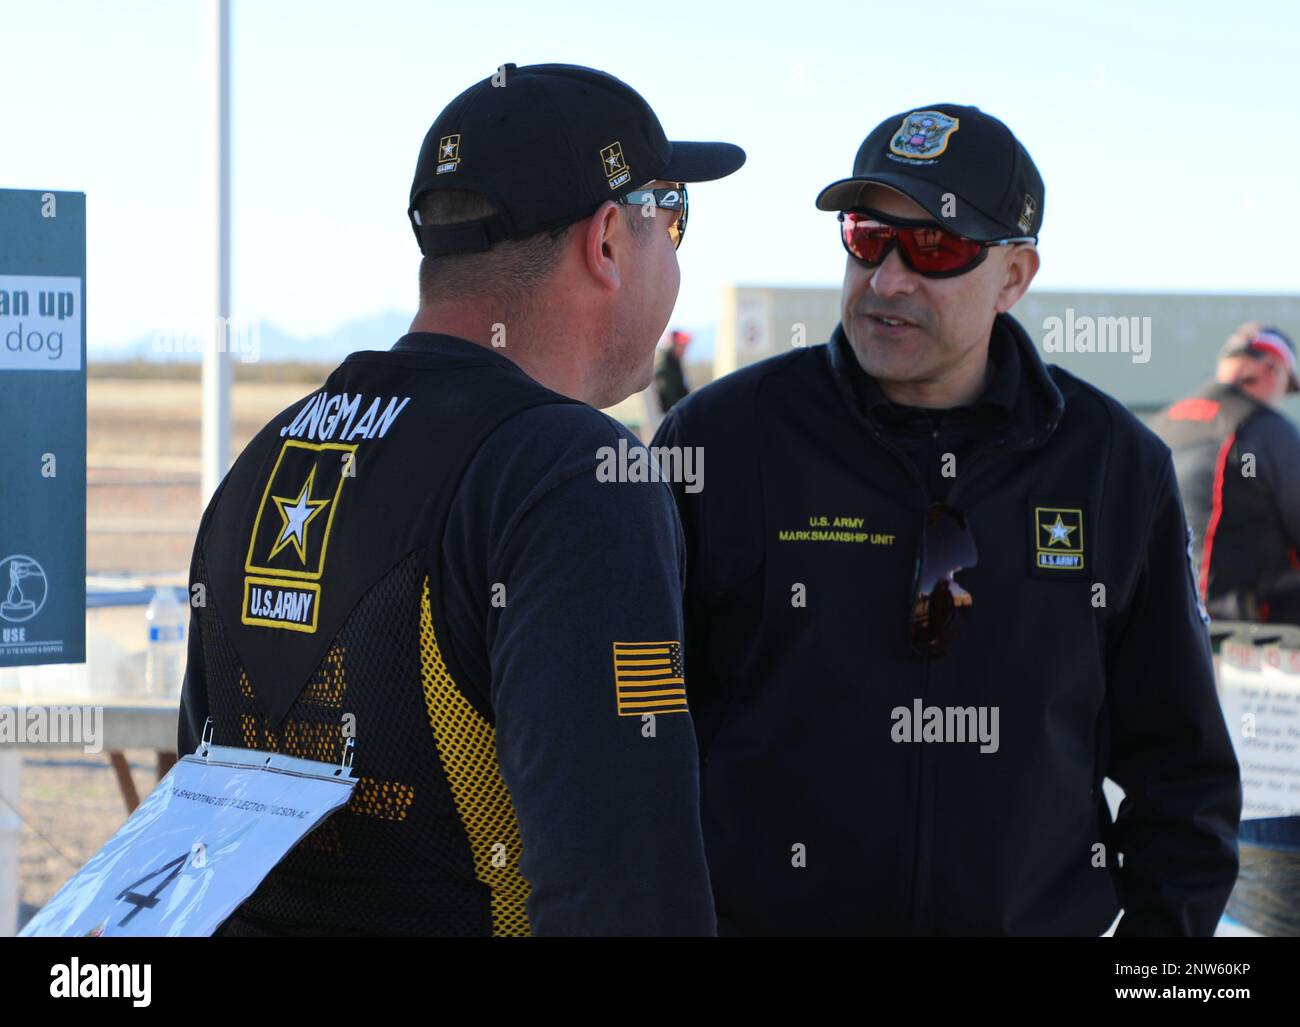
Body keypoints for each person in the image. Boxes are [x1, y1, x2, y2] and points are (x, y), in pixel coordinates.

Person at [177, 62, 745, 936]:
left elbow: (201, 840)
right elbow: (625, 890)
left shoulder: (268, 454)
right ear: (605, 241)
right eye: (671, 219)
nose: (673, 251)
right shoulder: (571, 474)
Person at [653, 104, 1241, 936]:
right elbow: (630, 726)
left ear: (1014, 276)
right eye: (867, 237)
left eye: (937, 246)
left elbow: (1184, 777)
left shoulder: (1112, 466)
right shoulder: (722, 440)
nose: (889, 279)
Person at [1150, 323, 1300, 623]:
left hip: (1159, 616)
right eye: (1285, 386)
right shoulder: (1265, 428)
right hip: (1244, 619)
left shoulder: (1158, 426)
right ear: (1271, 370)